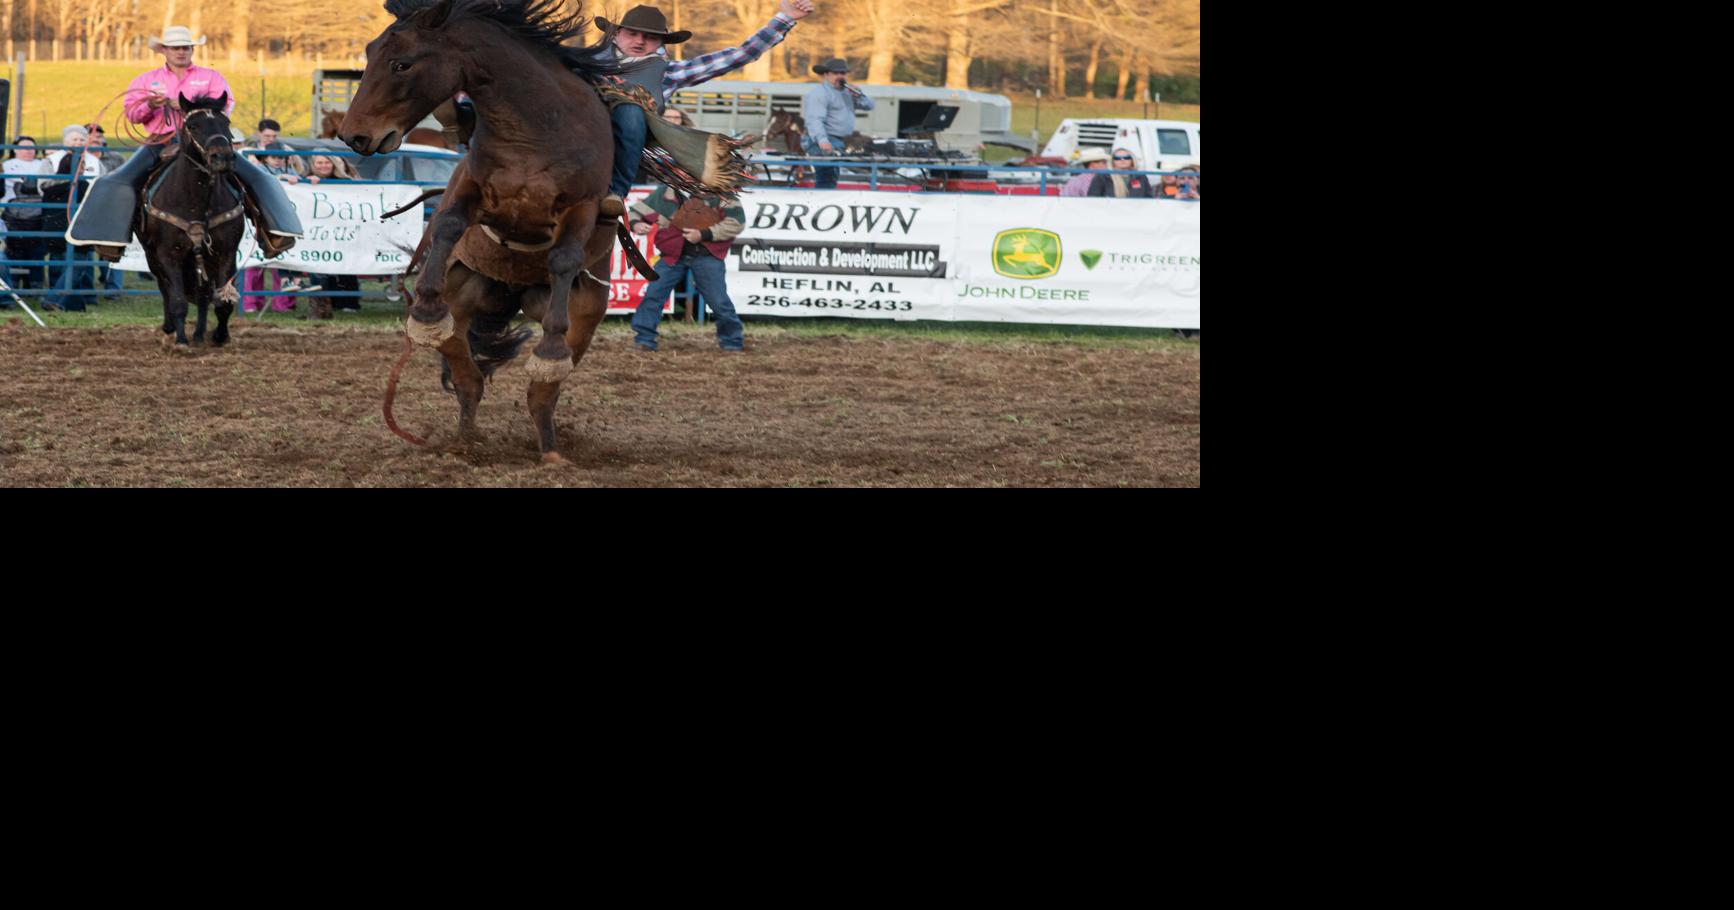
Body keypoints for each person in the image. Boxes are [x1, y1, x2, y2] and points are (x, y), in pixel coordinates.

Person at [65, 25, 301, 261]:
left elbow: (226, 106)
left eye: (185, 47)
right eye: (175, 48)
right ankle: (110, 238)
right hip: (161, 139)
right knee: (121, 178)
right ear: (164, 50)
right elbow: (132, 115)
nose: (181, 52)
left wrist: (190, 107)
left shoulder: (211, 77)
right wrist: (150, 105)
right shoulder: (146, 80)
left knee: (256, 175)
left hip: (204, 139)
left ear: (192, 50)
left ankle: (273, 232)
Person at [586, 1, 814, 216]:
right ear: (616, 35)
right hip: (582, 126)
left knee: (631, 111)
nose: (639, 41)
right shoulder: (588, 61)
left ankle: (616, 192)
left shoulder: (668, 73)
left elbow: (739, 55)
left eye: (650, 37)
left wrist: (784, 19)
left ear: (660, 43)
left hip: (624, 138)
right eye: (632, 34)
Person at [626, 184, 745, 352]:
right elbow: (634, 212)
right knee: (653, 296)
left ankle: (732, 341)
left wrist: (703, 234)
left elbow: (737, 223)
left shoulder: (721, 193)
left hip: (703, 255)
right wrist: (636, 223)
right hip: (673, 255)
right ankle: (644, 339)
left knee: (718, 301)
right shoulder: (665, 192)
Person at [801, 57, 875, 190]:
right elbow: (814, 119)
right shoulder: (819, 93)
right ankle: (822, 199)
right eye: (835, 73)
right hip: (820, 139)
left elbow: (869, 106)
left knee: (833, 175)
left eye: (843, 73)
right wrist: (822, 140)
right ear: (826, 75)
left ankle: (826, 196)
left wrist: (859, 95)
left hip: (841, 140)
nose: (840, 76)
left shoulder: (848, 92)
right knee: (827, 175)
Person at [303, 154, 359, 318]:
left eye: (327, 162)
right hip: (316, 232)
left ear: (333, 164)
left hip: (342, 231)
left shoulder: (345, 182)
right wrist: (304, 183)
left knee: (345, 265)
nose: (323, 165)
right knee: (318, 267)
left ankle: (349, 302)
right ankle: (322, 303)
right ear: (313, 165)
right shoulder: (305, 180)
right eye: (319, 162)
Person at [3, 136, 53, 293]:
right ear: (15, 149)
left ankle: (34, 286)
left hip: (39, 214)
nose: (28, 150)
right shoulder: (7, 165)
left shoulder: (42, 164)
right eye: (24, 147)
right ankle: (13, 285)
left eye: (31, 147)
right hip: (13, 215)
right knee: (14, 252)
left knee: (36, 252)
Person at [1087, 147, 1155, 198]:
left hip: (1136, 211)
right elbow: (1092, 199)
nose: (1122, 159)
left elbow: (1149, 198)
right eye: (1117, 158)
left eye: (1126, 157)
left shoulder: (1141, 177)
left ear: (1132, 160)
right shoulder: (1102, 177)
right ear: (1112, 162)